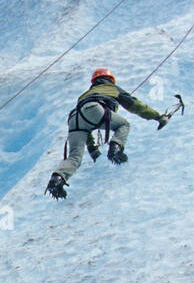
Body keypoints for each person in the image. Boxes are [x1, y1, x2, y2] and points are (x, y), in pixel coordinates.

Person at [46, 68, 170, 199]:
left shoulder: (85, 94)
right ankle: (115, 148)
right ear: (111, 79)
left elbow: (86, 124)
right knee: (123, 125)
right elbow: (135, 105)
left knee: (74, 157)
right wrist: (158, 117)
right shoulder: (112, 88)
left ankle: (57, 178)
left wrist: (93, 149)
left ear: (93, 82)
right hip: (94, 109)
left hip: (74, 117)